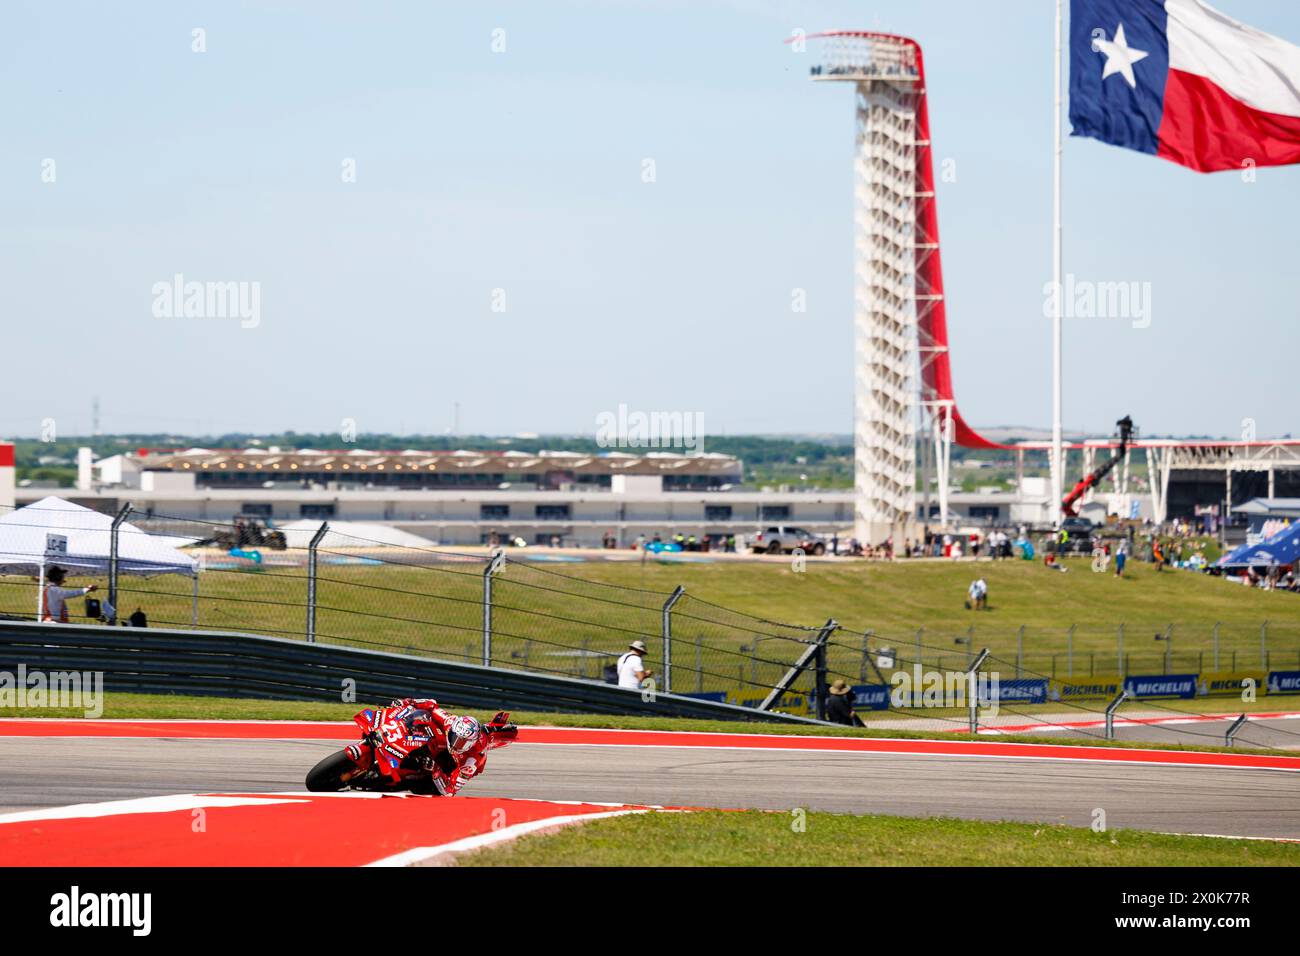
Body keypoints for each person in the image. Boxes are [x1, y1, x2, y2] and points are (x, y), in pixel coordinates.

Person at [380, 698, 512, 796]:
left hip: (453, 765)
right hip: (443, 744)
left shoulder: (470, 763)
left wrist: (435, 769)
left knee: (425, 789)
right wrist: (408, 702)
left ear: (470, 744)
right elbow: (432, 705)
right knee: (425, 722)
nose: (455, 744)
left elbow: (449, 791)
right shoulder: (451, 721)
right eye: (455, 737)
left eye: (461, 742)